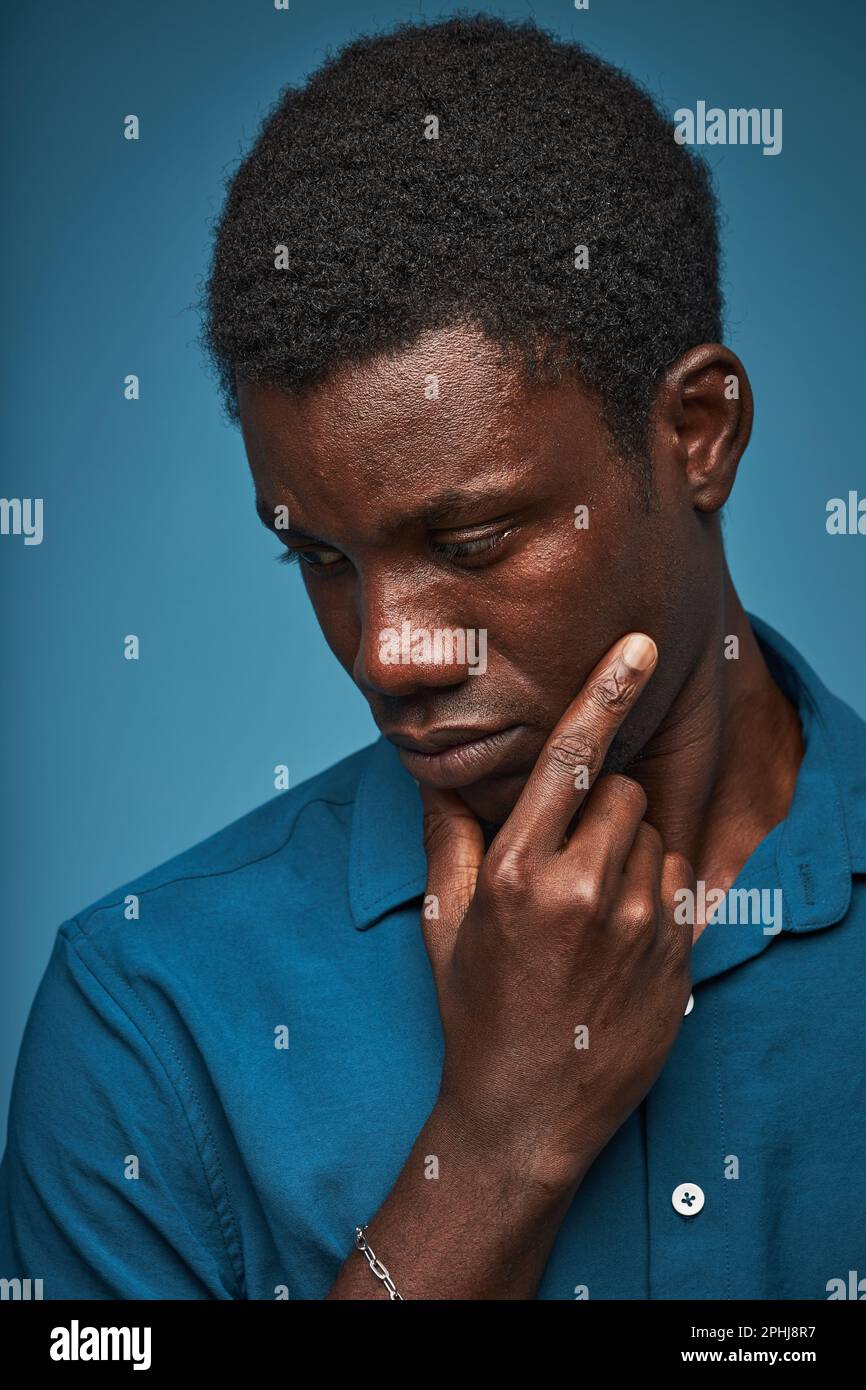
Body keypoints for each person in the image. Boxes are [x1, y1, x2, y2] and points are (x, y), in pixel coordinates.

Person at [1, 14, 864, 1301]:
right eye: (320, 558)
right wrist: (495, 1146)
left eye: (469, 538)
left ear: (696, 432)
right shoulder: (148, 1016)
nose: (388, 653)